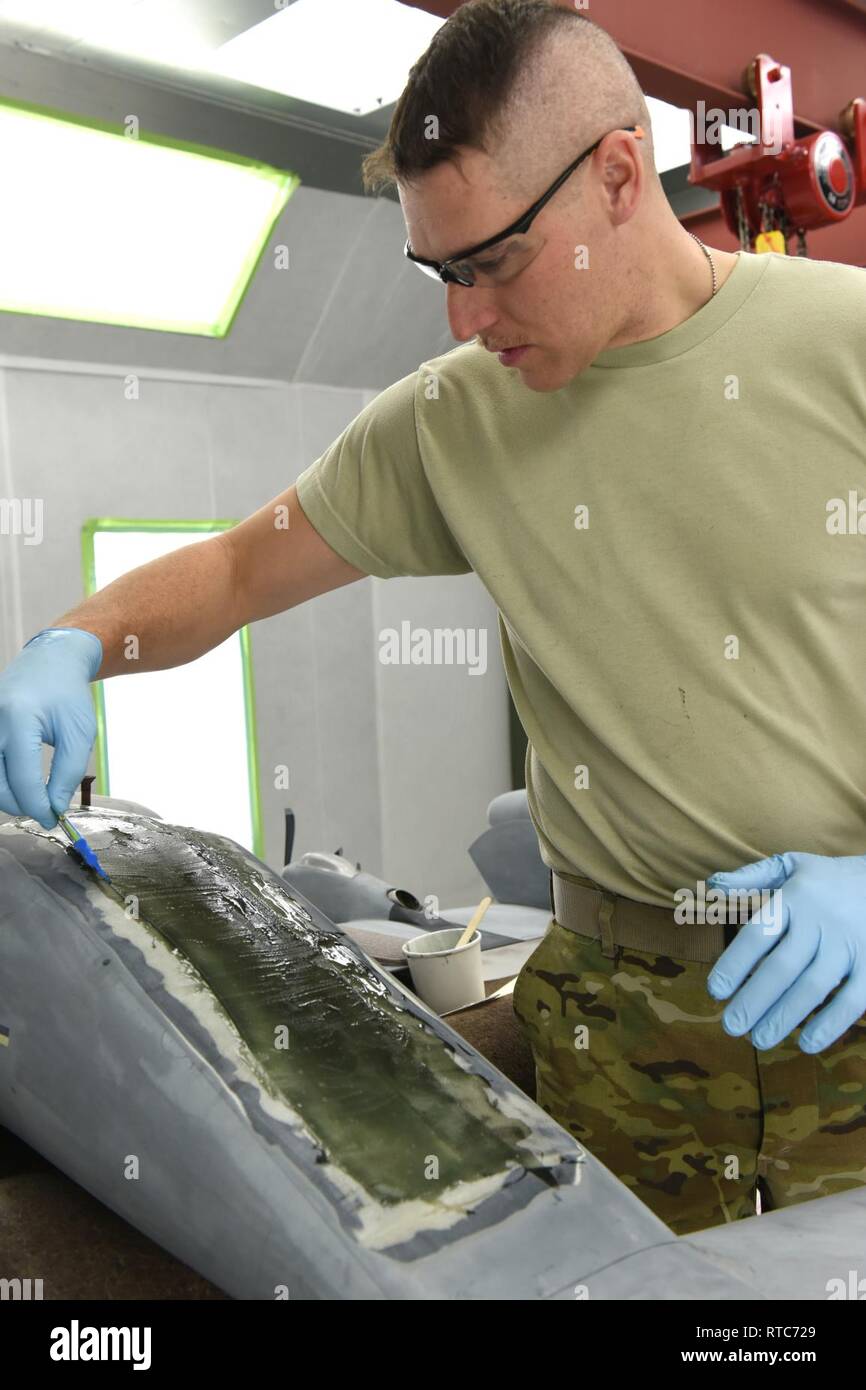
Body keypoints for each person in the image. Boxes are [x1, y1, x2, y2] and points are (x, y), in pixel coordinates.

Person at [2, 0, 865, 1236]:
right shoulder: (453, 419)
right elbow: (242, 569)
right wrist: (74, 642)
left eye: (494, 262)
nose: (463, 320)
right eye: (438, 272)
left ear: (619, 174)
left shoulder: (843, 349)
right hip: (614, 1041)